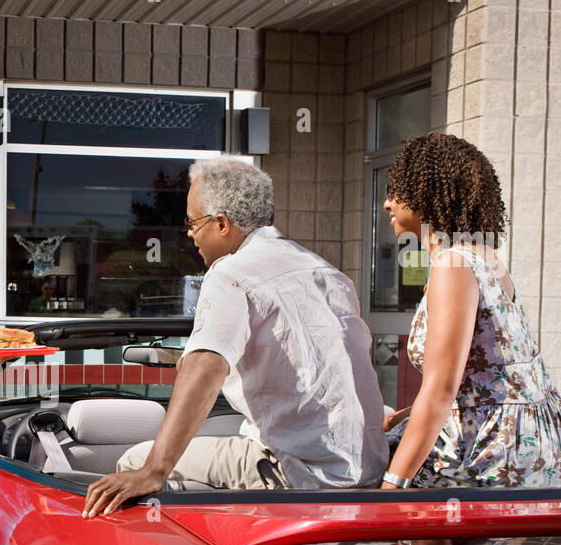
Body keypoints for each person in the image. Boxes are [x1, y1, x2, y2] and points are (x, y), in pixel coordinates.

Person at [83, 155, 387, 517]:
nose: (190, 234)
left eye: (193, 223)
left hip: (297, 474)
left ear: (222, 223)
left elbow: (205, 366)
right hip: (370, 470)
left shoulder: (231, 273)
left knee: (134, 459)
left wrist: (153, 471)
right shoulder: (326, 272)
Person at [379, 132, 561, 488]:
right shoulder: (484, 259)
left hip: (491, 454)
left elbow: (442, 388)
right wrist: (407, 416)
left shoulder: (453, 264)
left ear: (427, 194)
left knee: (406, 518)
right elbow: (489, 376)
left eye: (397, 190)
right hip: (536, 442)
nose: (387, 204)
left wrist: (391, 486)